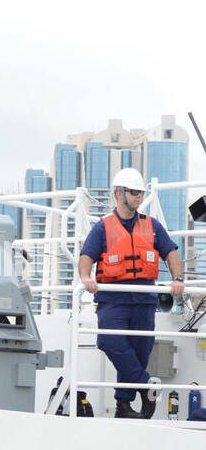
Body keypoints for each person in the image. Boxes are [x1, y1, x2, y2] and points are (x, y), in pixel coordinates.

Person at [77, 168, 184, 419]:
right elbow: (86, 257)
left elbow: (170, 253)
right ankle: (146, 386)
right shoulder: (103, 228)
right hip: (113, 299)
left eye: (141, 193)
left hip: (144, 299)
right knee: (109, 341)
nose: (139, 197)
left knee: (139, 350)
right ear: (119, 193)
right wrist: (85, 277)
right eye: (134, 192)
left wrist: (177, 279)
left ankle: (123, 405)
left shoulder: (152, 225)